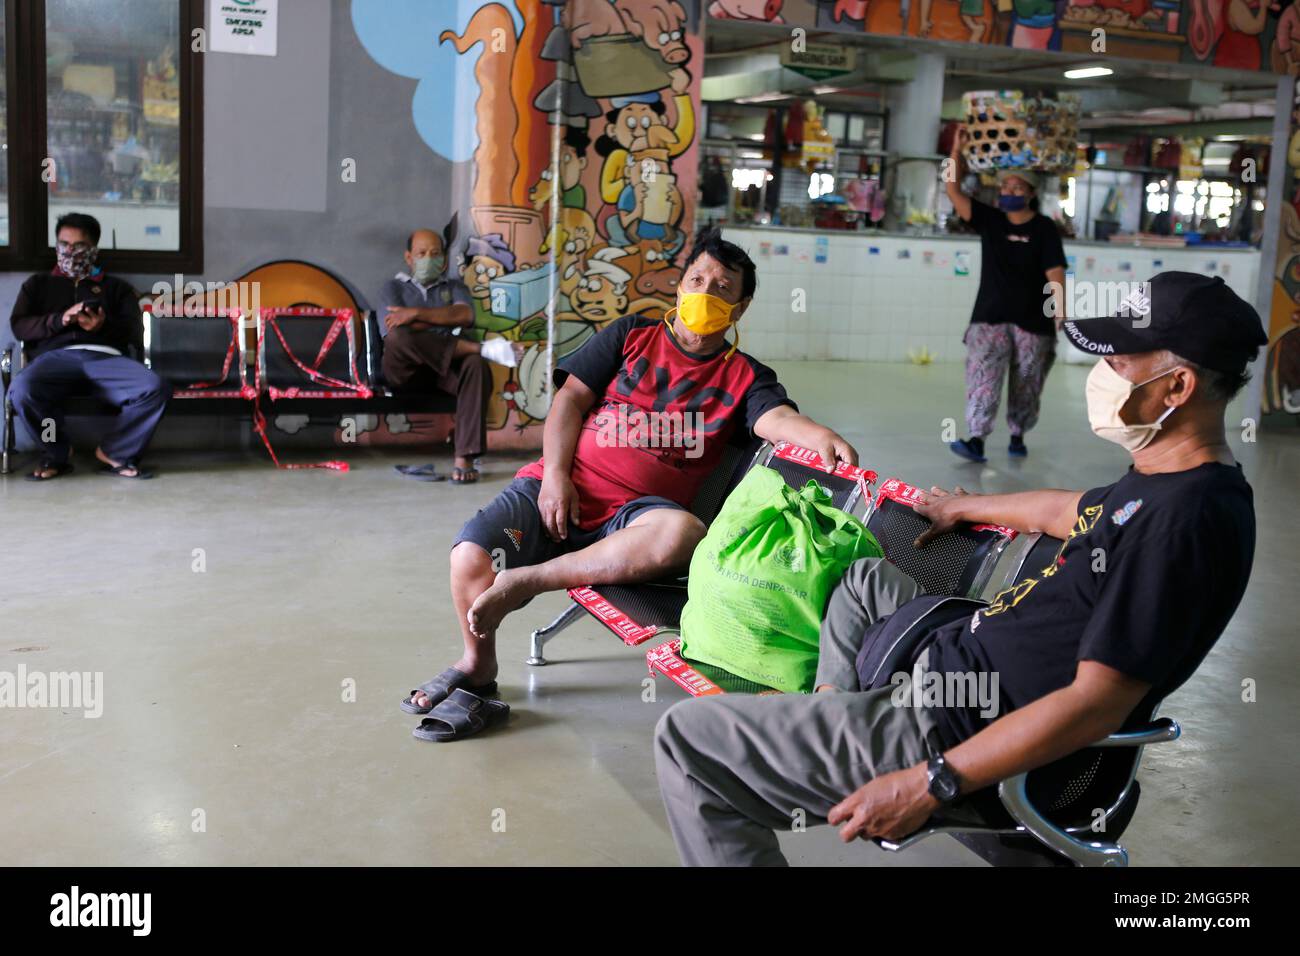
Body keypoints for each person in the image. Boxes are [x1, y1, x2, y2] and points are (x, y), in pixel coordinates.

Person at [654, 271, 1266, 866]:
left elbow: (1097, 704)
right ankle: (832, 707)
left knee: (687, 744)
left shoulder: (1183, 524)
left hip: (950, 728)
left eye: (1120, 361)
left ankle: (849, 732)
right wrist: (963, 505)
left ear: (1177, 386)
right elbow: (1063, 510)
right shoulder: (1165, 484)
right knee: (862, 580)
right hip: (960, 660)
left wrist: (934, 781)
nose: (1102, 375)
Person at [401, 227, 859, 741]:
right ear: (679, 287)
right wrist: (554, 476)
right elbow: (570, 400)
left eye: (722, 288)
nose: (705, 294)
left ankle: (528, 580)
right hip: (561, 490)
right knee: (469, 558)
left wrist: (820, 435)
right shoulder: (629, 335)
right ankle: (478, 670)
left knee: (683, 532)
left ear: (741, 306)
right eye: (697, 280)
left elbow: (773, 419)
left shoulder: (746, 376)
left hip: (637, 518)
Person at [8, 212, 170, 480]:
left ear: (93, 249)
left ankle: (116, 451)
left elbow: (135, 332)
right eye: (63, 245)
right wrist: (59, 320)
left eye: (78, 246)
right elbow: (20, 326)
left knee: (155, 388)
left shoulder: (116, 288)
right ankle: (56, 452)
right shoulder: (38, 285)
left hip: (105, 359)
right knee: (23, 391)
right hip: (54, 359)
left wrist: (102, 327)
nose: (70, 252)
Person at [945, 130, 1068, 462]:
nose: (1009, 192)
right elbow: (952, 189)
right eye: (1005, 187)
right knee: (982, 379)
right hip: (990, 317)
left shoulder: (1043, 228)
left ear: (1031, 193)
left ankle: (1018, 433)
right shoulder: (991, 220)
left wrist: (1061, 311)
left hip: (1034, 322)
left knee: (1027, 382)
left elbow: (1055, 271)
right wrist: (955, 150)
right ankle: (976, 440)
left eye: (1017, 187)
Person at [378, 222, 523, 484]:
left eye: (435, 254)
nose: (428, 259)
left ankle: (464, 457)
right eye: (421, 254)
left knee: (475, 364)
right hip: (405, 374)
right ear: (409, 258)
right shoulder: (393, 288)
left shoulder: (455, 287)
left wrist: (415, 315)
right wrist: (442, 321)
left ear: (444, 260)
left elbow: (464, 315)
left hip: (445, 372)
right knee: (399, 337)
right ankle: (484, 348)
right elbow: (393, 330)